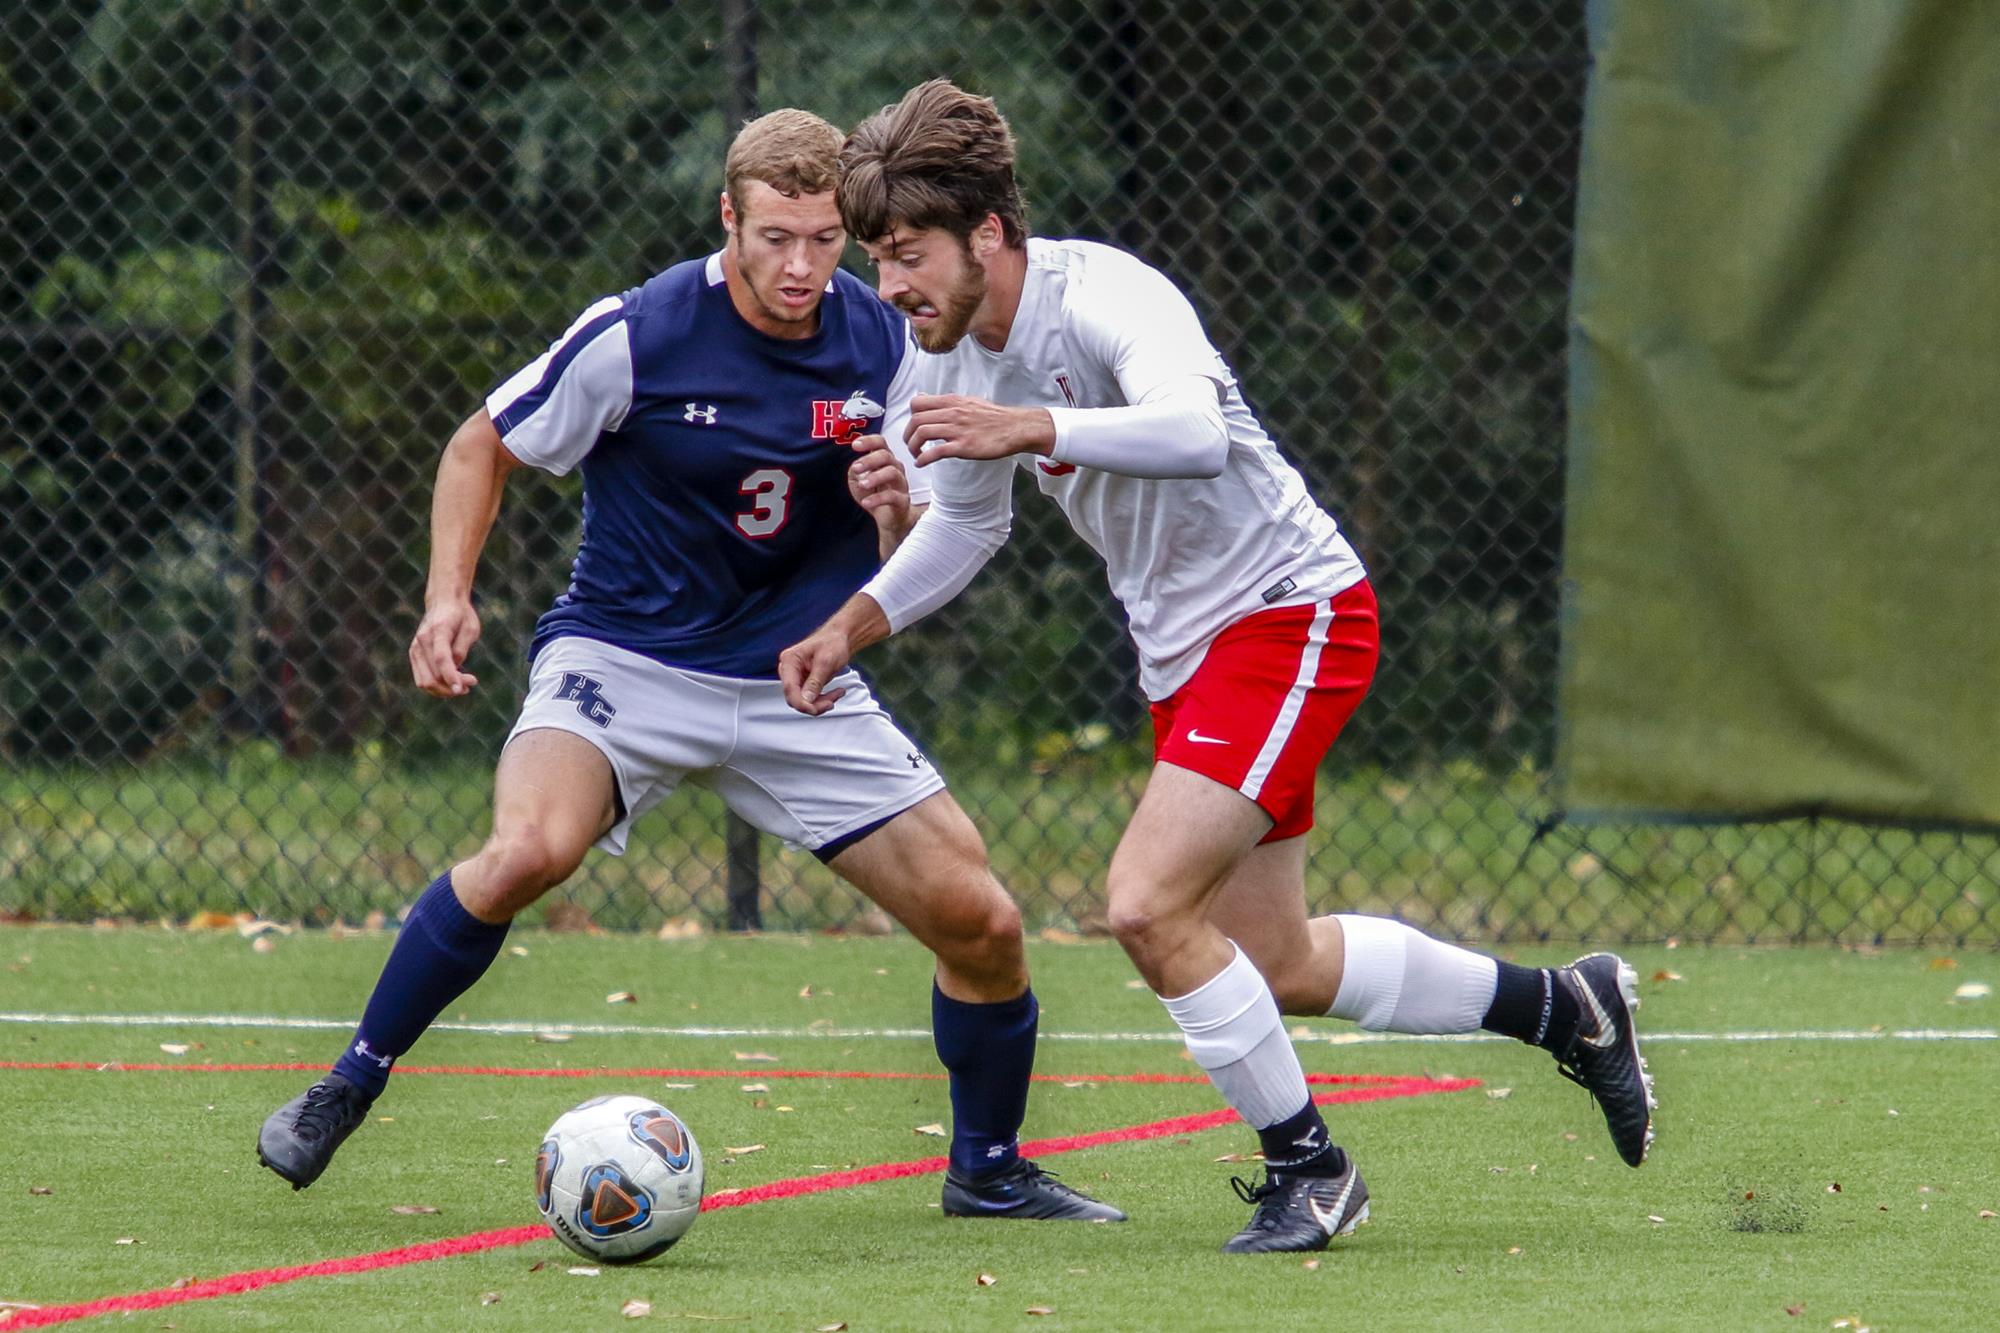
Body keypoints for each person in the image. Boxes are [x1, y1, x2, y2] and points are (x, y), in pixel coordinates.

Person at [778, 81, 1654, 1254]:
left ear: (987, 231)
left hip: (1289, 614)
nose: (889, 287)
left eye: (907, 255)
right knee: (1275, 961)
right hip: (1186, 658)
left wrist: (1035, 427)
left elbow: (1192, 435)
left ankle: (1312, 1169)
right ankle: (1564, 1004)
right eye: (879, 261)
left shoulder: (1107, 295)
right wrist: (853, 624)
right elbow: (966, 526)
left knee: (1142, 904)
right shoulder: (941, 365)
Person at [256, 108, 1122, 1225]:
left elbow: (909, 559)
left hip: (793, 676)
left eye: (823, 239)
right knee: (528, 849)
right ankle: (347, 1083)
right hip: (626, 659)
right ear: (729, 218)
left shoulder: (888, 341)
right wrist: (445, 597)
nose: (801, 264)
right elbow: (481, 443)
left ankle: (987, 1168)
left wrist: (892, 510)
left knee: (984, 923)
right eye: (775, 236)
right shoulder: (641, 332)